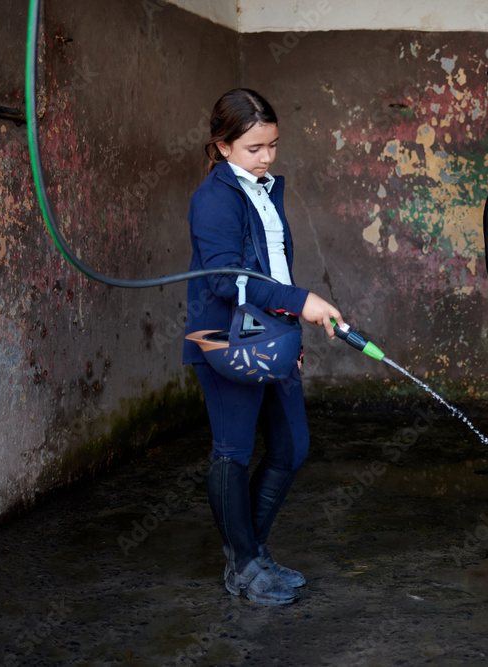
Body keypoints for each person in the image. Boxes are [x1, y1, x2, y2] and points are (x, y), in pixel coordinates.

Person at [182, 88, 341, 605]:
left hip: (269, 338)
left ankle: (251, 548)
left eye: (272, 145)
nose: (267, 157)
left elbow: (273, 269)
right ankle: (243, 566)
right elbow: (232, 282)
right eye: (254, 148)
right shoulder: (213, 200)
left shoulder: (265, 189)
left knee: (292, 446)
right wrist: (302, 301)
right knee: (233, 451)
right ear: (222, 146)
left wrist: (288, 328)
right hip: (228, 341)